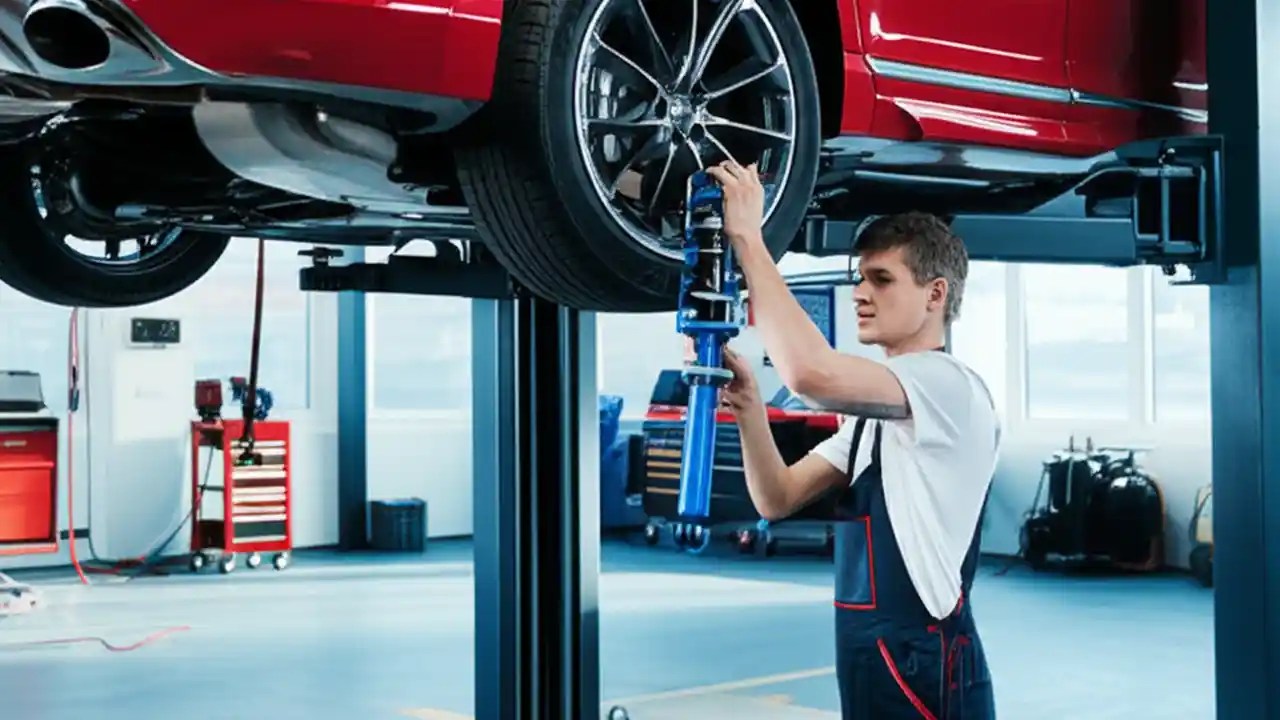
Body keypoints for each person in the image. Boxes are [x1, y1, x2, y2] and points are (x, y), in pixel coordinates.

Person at [702, 161, 1002, 719]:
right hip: (872, 655)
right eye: (860, 278)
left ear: (936, 294)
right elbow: (778, 497)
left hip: (926, 662)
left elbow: (810, 376)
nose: (861, 293)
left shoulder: (946, 385)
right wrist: (748, 409)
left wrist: (749, 238)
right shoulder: (874, 417)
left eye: (882, 279)